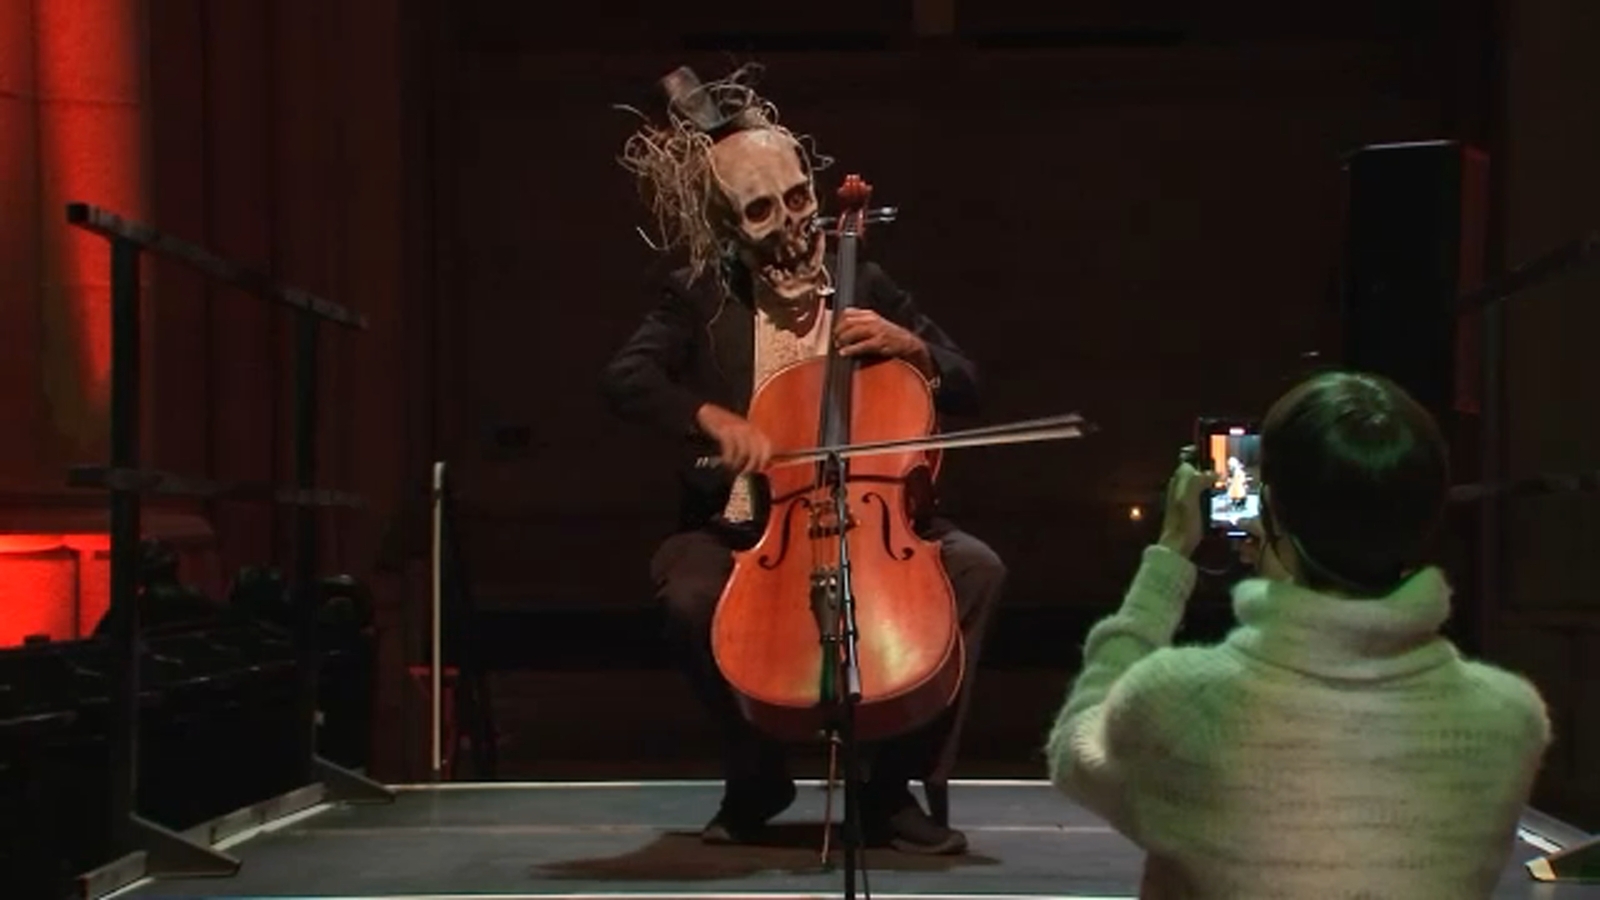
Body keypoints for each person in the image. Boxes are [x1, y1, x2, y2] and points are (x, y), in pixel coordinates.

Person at [600, 64, 1005, 856]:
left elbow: (969, 383)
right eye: (760, 211)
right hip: (747, 524)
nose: (791, 225)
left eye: (796, 200)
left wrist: (911, 345)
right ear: (728, 224)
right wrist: (710, 416)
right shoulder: (699, 295)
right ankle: (756, 773)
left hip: (872, 511)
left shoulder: (866, 283)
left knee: (977, 569)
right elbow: (625, 377)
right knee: (685, 594)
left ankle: (889, 790)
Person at [1046, 370, 1552, 899]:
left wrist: (1171, 552)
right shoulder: (1509, 719)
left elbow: (1077, 747)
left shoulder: (1185, 700)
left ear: (1271, 510)